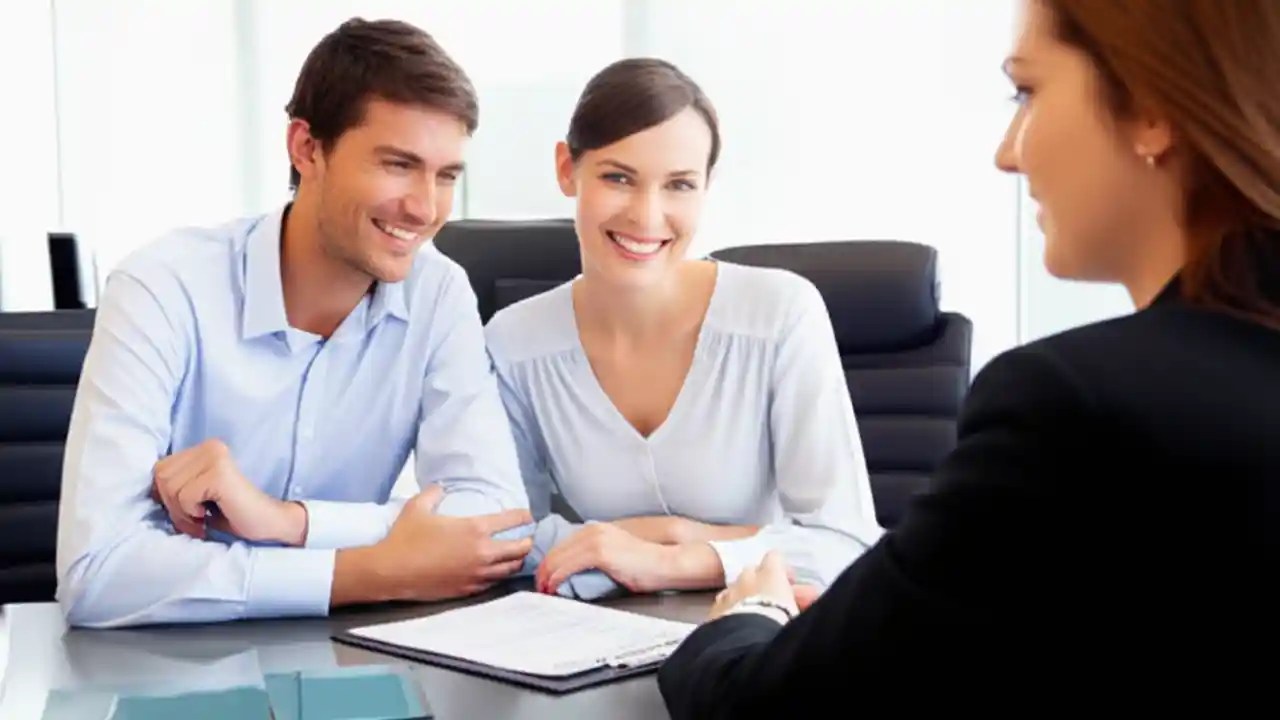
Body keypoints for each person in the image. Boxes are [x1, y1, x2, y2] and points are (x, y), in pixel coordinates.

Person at [659, 0, 1279, 712]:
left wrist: (745, 621)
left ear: (1150, 109)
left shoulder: (1077, 406)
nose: (1007, 152)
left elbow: (762, 706)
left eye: (1028, 91)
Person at [55, 18, 534, 628]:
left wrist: (289, 521)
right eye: (397, 165)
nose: (426, 208)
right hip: (169, 671)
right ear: (307, 148)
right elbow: (98, 573)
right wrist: (370, 571)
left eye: (445, 176)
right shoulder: (162, 288)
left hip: (353, 663)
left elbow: (495, 517)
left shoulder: (437, 293)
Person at [484, 58, 883, 602]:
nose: (648, 217)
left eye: (679, 185)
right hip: (591, 639)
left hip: (757, 636)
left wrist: (674, 552)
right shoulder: (514, 342)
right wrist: (725, 542)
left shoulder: (780, 315)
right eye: (618, 177)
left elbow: (846, 543)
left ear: (706, 188)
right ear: (566, 169)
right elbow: (506, 540)